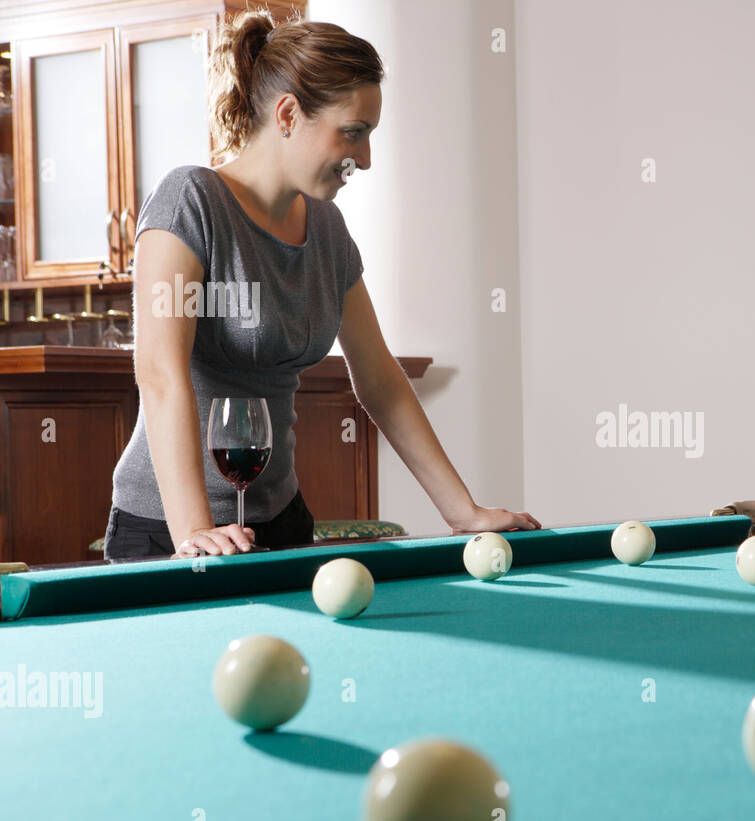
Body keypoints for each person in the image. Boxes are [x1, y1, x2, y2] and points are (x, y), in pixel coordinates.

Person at [104, 11, 538, 561]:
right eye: (353, 133)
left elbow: (379, 378)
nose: (365, 158)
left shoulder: (328, 230)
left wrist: (464, 512)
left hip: (278, 521)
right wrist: (195, 530)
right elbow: (162, 375)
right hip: (171, 529)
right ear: (288, 114)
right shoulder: (191, 202)